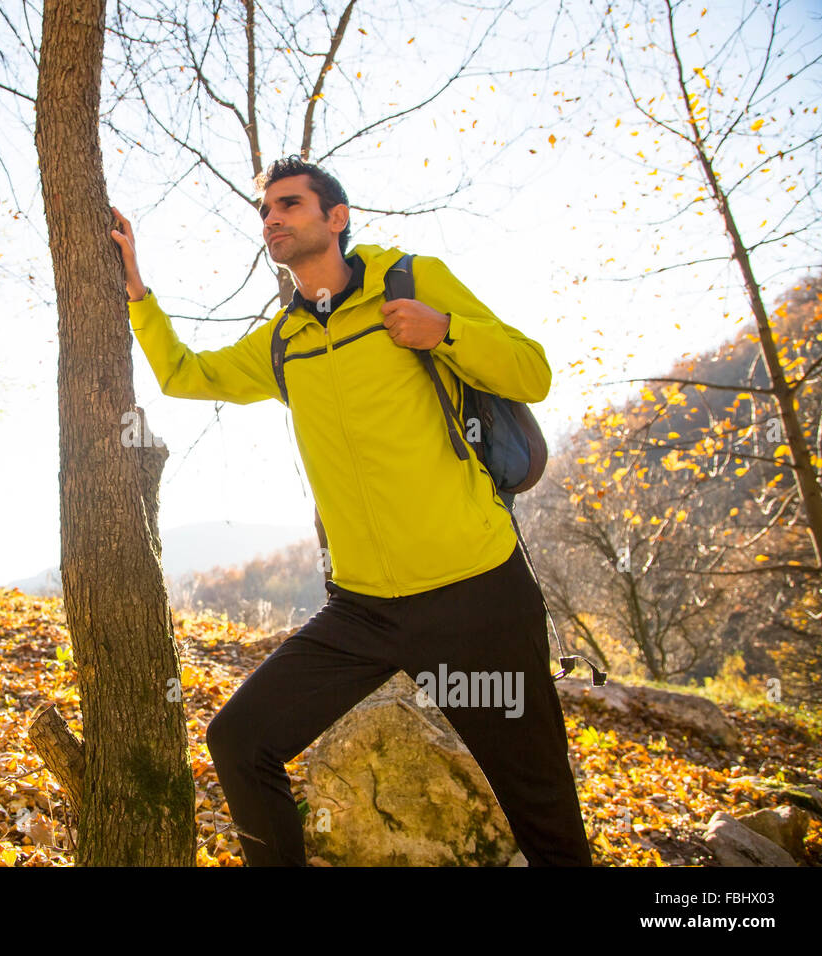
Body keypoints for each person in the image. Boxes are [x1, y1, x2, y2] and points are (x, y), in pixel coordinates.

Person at [109, 154, 592, 867]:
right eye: (265, 210)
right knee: (240, 742)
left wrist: (446, 330)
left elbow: (533, 371)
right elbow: (186, 375)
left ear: (336, 219)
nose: (272, 218)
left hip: (476, 594)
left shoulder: (411, 281)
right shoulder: (284, 341)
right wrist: (138, 294)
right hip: (364, 611)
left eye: (290, 205)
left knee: (544, 812)